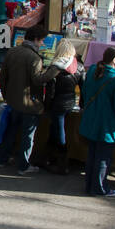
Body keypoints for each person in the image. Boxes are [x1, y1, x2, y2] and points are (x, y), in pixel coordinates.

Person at [0, 24, 59, 174]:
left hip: (13, 101)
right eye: (42, 40)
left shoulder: (12, 51)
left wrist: (7, 96)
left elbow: (2, 76)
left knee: (11, 131)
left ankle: (3, 159)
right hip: (29, 104)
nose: (43, 44)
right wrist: (54, 70)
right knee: (27, 136)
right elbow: (38, 80)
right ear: (36, 39)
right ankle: (23, 166)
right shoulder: (34, 57)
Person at [79, 46, 115, 197]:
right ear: (114, 60)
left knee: (92, 154)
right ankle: (99, 188)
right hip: (107, 124)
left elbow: (85, 92)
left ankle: (89, 185)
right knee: (103, 157)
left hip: (91, 120)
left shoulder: (93, 69)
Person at [43, 39, 82, 176]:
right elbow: (83, 87)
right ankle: (50, 158)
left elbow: (50, 91)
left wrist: (46, 107)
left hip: (57, 104)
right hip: (70, 102)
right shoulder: (78, 66)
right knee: (56, 130)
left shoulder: (55, 68)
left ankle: (61, 163)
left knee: (58, 132)